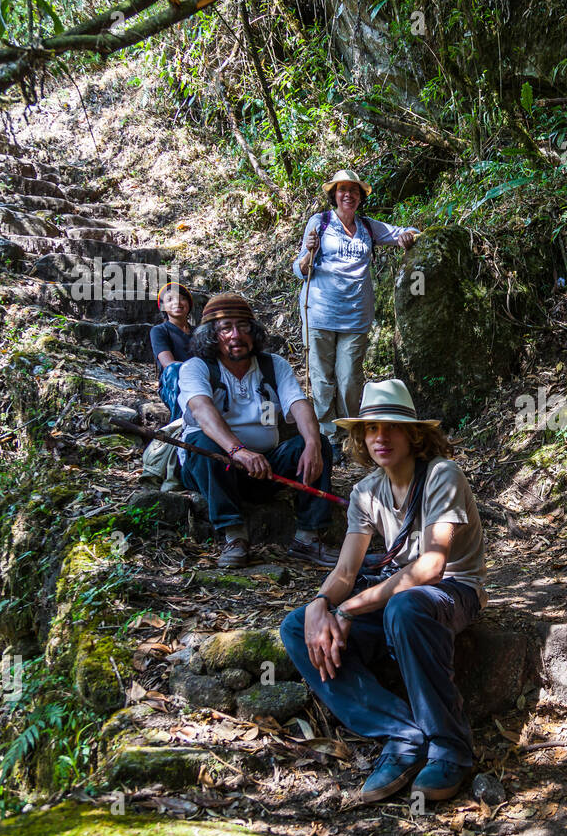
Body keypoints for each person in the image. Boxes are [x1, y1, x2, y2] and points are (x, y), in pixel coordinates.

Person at [280, 379, 486, 805]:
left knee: (405, 608)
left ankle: (450, 747)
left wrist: (350, 609)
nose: (380, 437)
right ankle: (400, 733)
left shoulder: (441, 474)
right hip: (396, 593)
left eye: (390, 427)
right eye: (371, 428)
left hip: (451, 592)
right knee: (298, 625)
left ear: (413, 434)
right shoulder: (365, 492)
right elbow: (345, 570)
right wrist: (321, 605)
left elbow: (431, 566)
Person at [177, 292, 339, 569]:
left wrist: (312, 443)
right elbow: (202, 411)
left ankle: (308, 538)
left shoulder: (273, 365)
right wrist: (238, 450)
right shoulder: (196, 368)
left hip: (264, 469)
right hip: (218, 468)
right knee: (203, 442)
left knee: (317, 443)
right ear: (211, 335)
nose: (235, 335)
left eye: (243, 326)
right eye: (225, 328)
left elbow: (298, 404)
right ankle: (234, 537)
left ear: (254, 332)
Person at [293, 170, 422, 462]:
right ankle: (329, 438)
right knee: (323, 380)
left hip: (355, 317)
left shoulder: (367, 227)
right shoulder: (320, 223)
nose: (348, 194)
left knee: (350, 379)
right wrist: (307, 256)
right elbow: (299, 268)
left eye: (353, 190)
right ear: (334, 195)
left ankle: (351, 435)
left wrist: (408, 237)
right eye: (342, 190)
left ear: (361, 196)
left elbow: (405, 231)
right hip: (319, 313)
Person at [149, 281, 195, 422]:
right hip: (173, 383)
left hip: (202, 379)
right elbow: (168, 364)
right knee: (175, 368)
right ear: (163, 306)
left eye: (182, 298)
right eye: (170, 299)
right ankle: (179, 423)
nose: (177, 302)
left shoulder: (200, 332)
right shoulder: (160, 331)